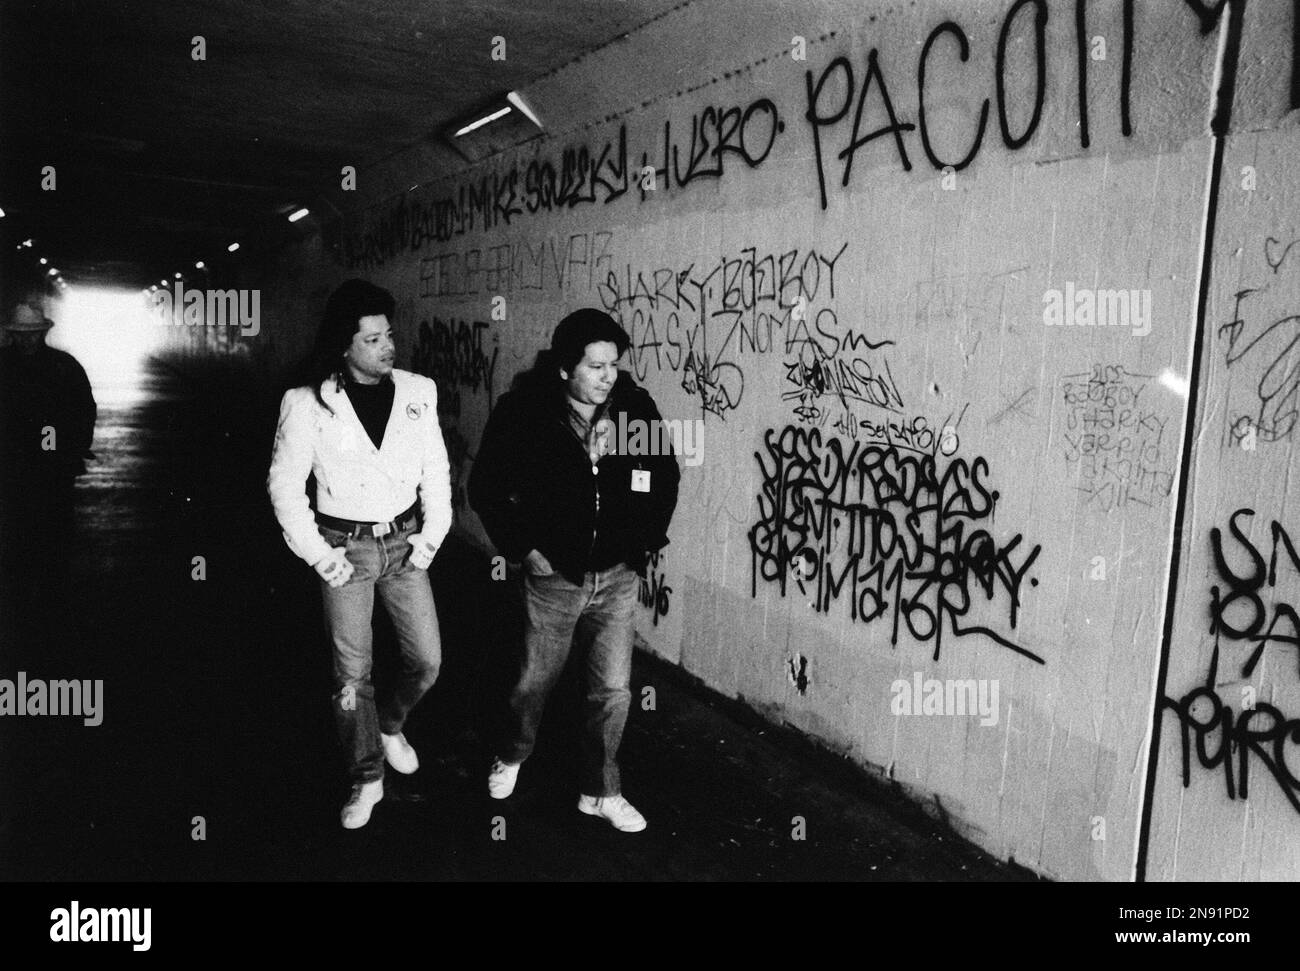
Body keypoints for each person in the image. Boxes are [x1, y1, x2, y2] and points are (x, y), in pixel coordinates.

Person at [469, 308, 679, 832]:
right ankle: (514, 753)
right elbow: (487, 487)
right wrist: (525, 549)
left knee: (612, 690)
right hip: (553, 576)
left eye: (613, 364)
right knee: (534, 680)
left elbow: (664, 475)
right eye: (595, 366)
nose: (608, 376)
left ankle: (601, 790)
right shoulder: (526, 411)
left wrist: (642, 543)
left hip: (616, 578)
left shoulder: (633, 410)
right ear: (565, 369)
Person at [267, 279, 452, 829]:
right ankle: (366, 775)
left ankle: (389, 725)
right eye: (371, 339)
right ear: (344, 347)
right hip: (344, 548)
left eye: (388, 335)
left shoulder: (419, 391)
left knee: (428, 660)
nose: (387, 346)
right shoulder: (306, 402)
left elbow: (436, 472)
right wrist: (318, 555)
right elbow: (284, 487)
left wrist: (431, 535)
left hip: (404, 544)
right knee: (351, 676)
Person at [0, 303, 96, 626]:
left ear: (42, 333)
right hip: (15, 466)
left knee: (52, 529)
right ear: (12, 335)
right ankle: (27, 596)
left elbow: (84, 408)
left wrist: (75, 446)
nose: (26, 341)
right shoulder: (8, 367)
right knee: (19, 531)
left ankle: (49, 596)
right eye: (20, 335)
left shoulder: (64, 367)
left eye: (32, 335)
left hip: (51, 466)